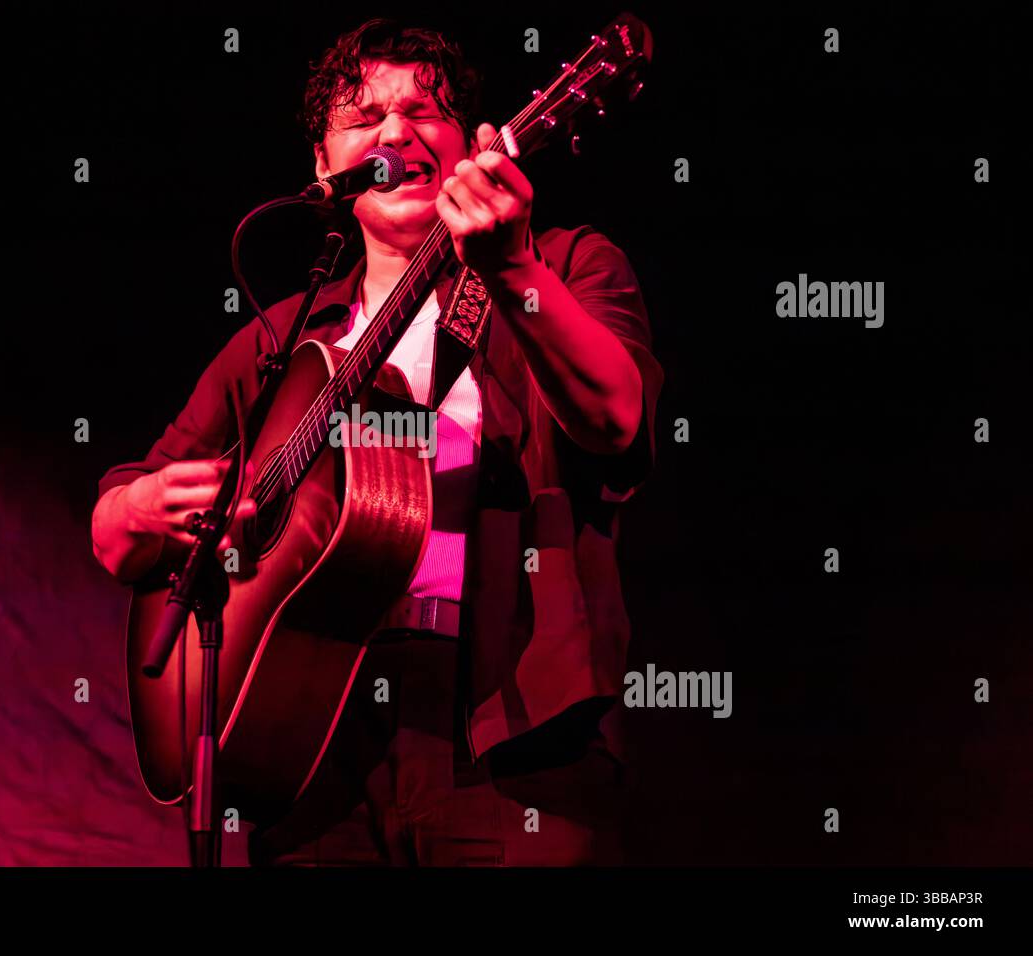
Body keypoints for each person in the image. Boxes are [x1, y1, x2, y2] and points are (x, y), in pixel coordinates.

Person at [91, 19, 663, 865]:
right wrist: (139, 508)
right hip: (307, 737)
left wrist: (511, 273)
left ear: (468, 144)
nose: (396, 130)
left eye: (423, 111)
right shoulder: (282, 339)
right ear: (325, 169)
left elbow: (617, 419)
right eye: (364, 118)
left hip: (511, 736)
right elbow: (114, 528)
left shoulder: (566, 264)